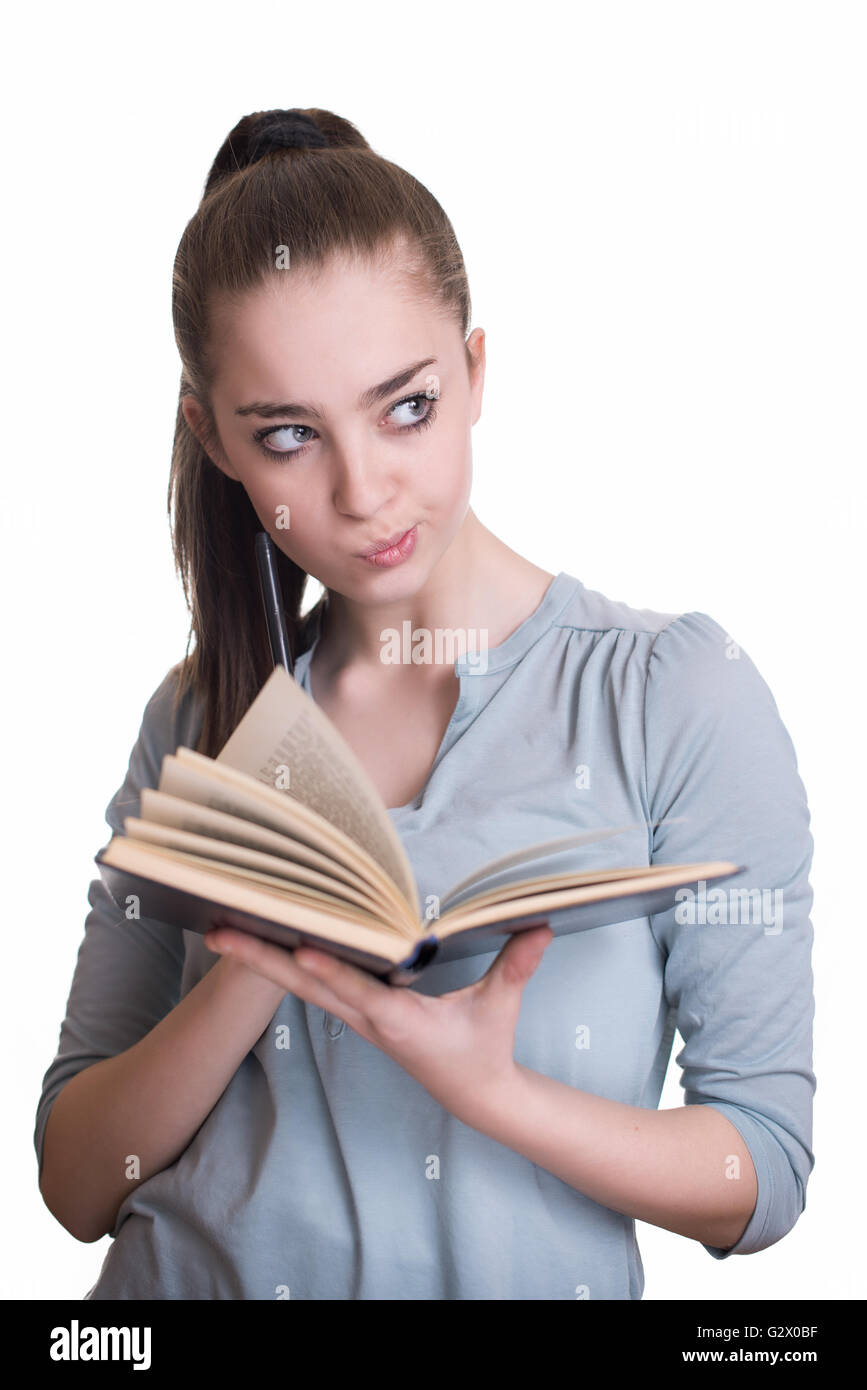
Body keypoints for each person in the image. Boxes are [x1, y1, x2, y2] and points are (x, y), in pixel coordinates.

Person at [34, 107, 815, 1301]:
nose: (363, 489)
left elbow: (761, 1166)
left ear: (477, 367)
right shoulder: (200, 719)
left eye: (406, 406)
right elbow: (81, 1182)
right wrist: (261, 956)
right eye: (289, 435)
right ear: (218, 442)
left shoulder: (675, 699)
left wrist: (493, 1090)